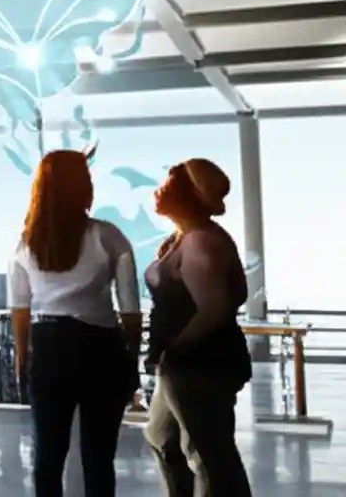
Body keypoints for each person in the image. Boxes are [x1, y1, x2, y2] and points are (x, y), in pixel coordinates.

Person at [7, 150, 142, 497]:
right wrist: (131, 358)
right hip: (101, 347)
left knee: (48, 458)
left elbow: (20, 308)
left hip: (48, 345)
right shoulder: (108, 236)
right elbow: (129, 309)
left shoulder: (26, 243)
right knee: (99, 459)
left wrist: (23, 358)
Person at [143, 159, 252, 497]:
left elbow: (214, 309)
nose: (158, 190)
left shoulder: (201, 242)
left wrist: (174, 350)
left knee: (208, 453)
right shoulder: (180, 238)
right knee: (163, 438)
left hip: (200, 364)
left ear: (188, 195)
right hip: (181, 365)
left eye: (169, 185)